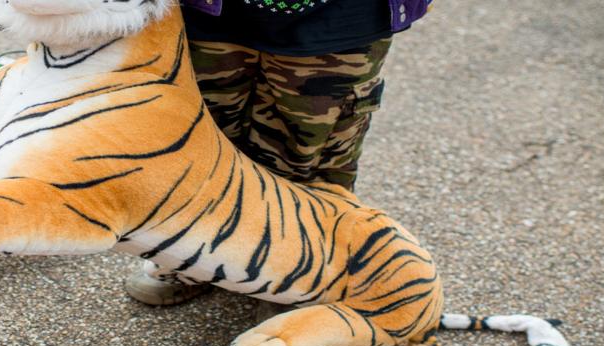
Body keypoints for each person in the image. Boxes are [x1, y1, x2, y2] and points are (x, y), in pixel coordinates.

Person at [126, 0, 434, 305]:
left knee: (314, 150)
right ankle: (198, 258)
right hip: (211, 13)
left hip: (342, 17)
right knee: (203, 134)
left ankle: (302, 276)